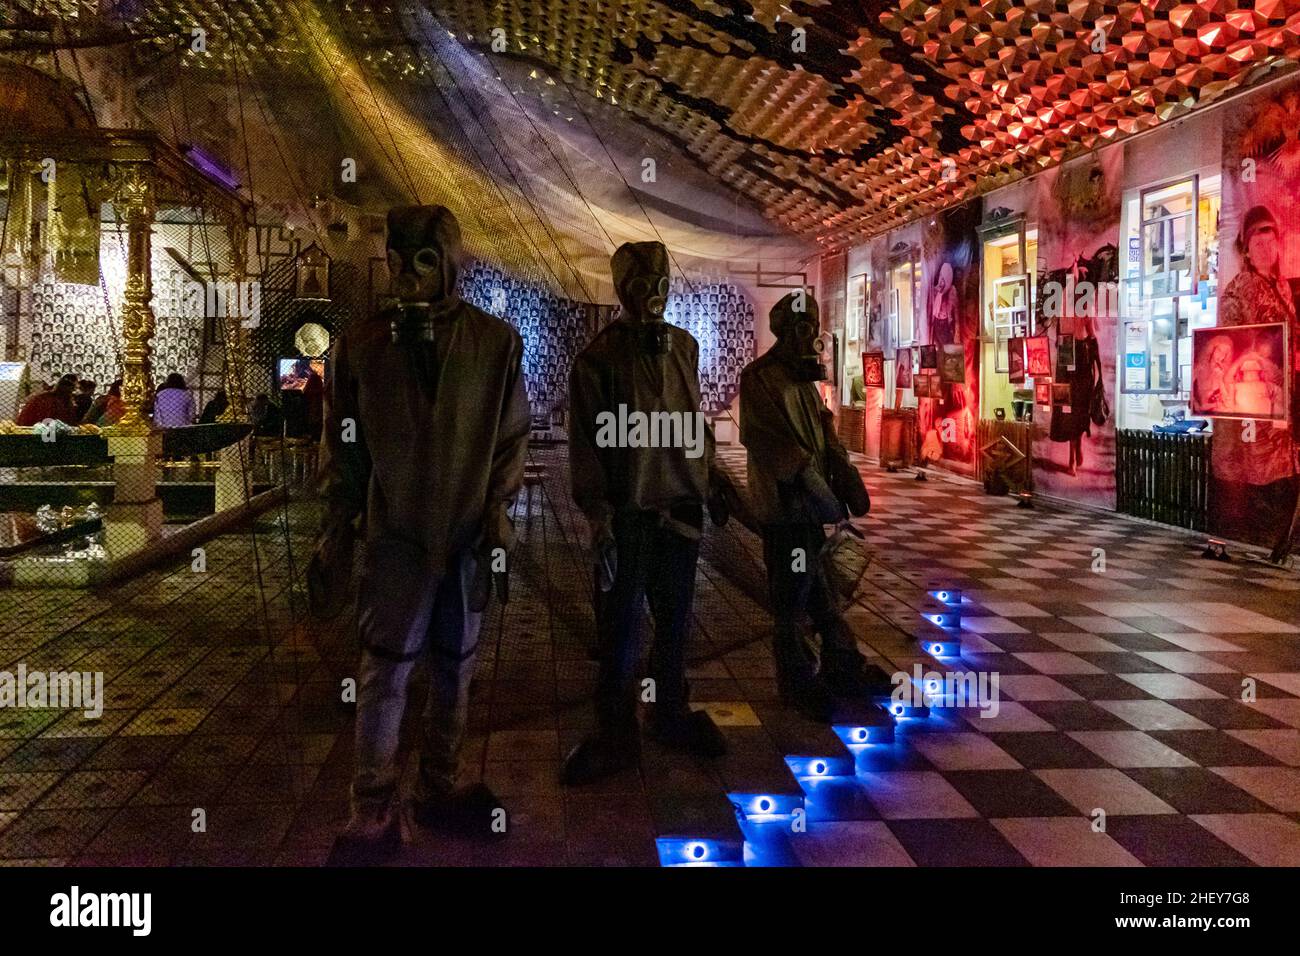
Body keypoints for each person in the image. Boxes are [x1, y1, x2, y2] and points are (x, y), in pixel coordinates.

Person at [310, 205, 530, 864]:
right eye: (400, 263)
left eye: (424, 262)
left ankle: (441, 784)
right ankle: (371, 809)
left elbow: (509, 440)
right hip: (395, 540)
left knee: (455, 672)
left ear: (450, 264)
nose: (408, 277)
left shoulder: (495, 346)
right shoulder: (363, 347)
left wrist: (497, 516)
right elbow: (343, 447)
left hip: (464, 537)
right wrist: (337, 527)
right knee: (384, 673)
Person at [563, 240, 730, 785]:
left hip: (677, 510)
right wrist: (598, 514)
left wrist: (711, 478)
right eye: (638, 285)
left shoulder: (683, 347)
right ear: (621, 289)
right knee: (618, 626)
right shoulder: (598, 359)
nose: (650, 296)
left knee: (675, 622)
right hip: (627, 513)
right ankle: (616, 730)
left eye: (658, 284)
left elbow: (691, 418)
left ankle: (668, 713)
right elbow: (587, 442)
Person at [740, 290, 882, 721]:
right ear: (784, 331)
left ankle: (841, 663)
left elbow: (824, 428)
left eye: (812, 327)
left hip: (811, 510)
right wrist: (813, 485)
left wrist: (843, 471)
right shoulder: (761, 378)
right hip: (786, 510)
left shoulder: (803, 379)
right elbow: (768, 441)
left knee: (819, 588)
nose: (809, 336)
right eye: (801, 327)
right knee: (792, 595)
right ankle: (798, 679)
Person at [1212, 206, 1298, 552]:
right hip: (1254, 410)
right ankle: (1255, 545)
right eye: (1256, 238)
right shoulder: (1239, 290)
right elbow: (1227, 346)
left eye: (1269, 236)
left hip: (1283, 410)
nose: (1264, 244)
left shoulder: (1282, 287)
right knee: (1256, 481)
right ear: (1246, 248)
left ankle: (1278, 546)